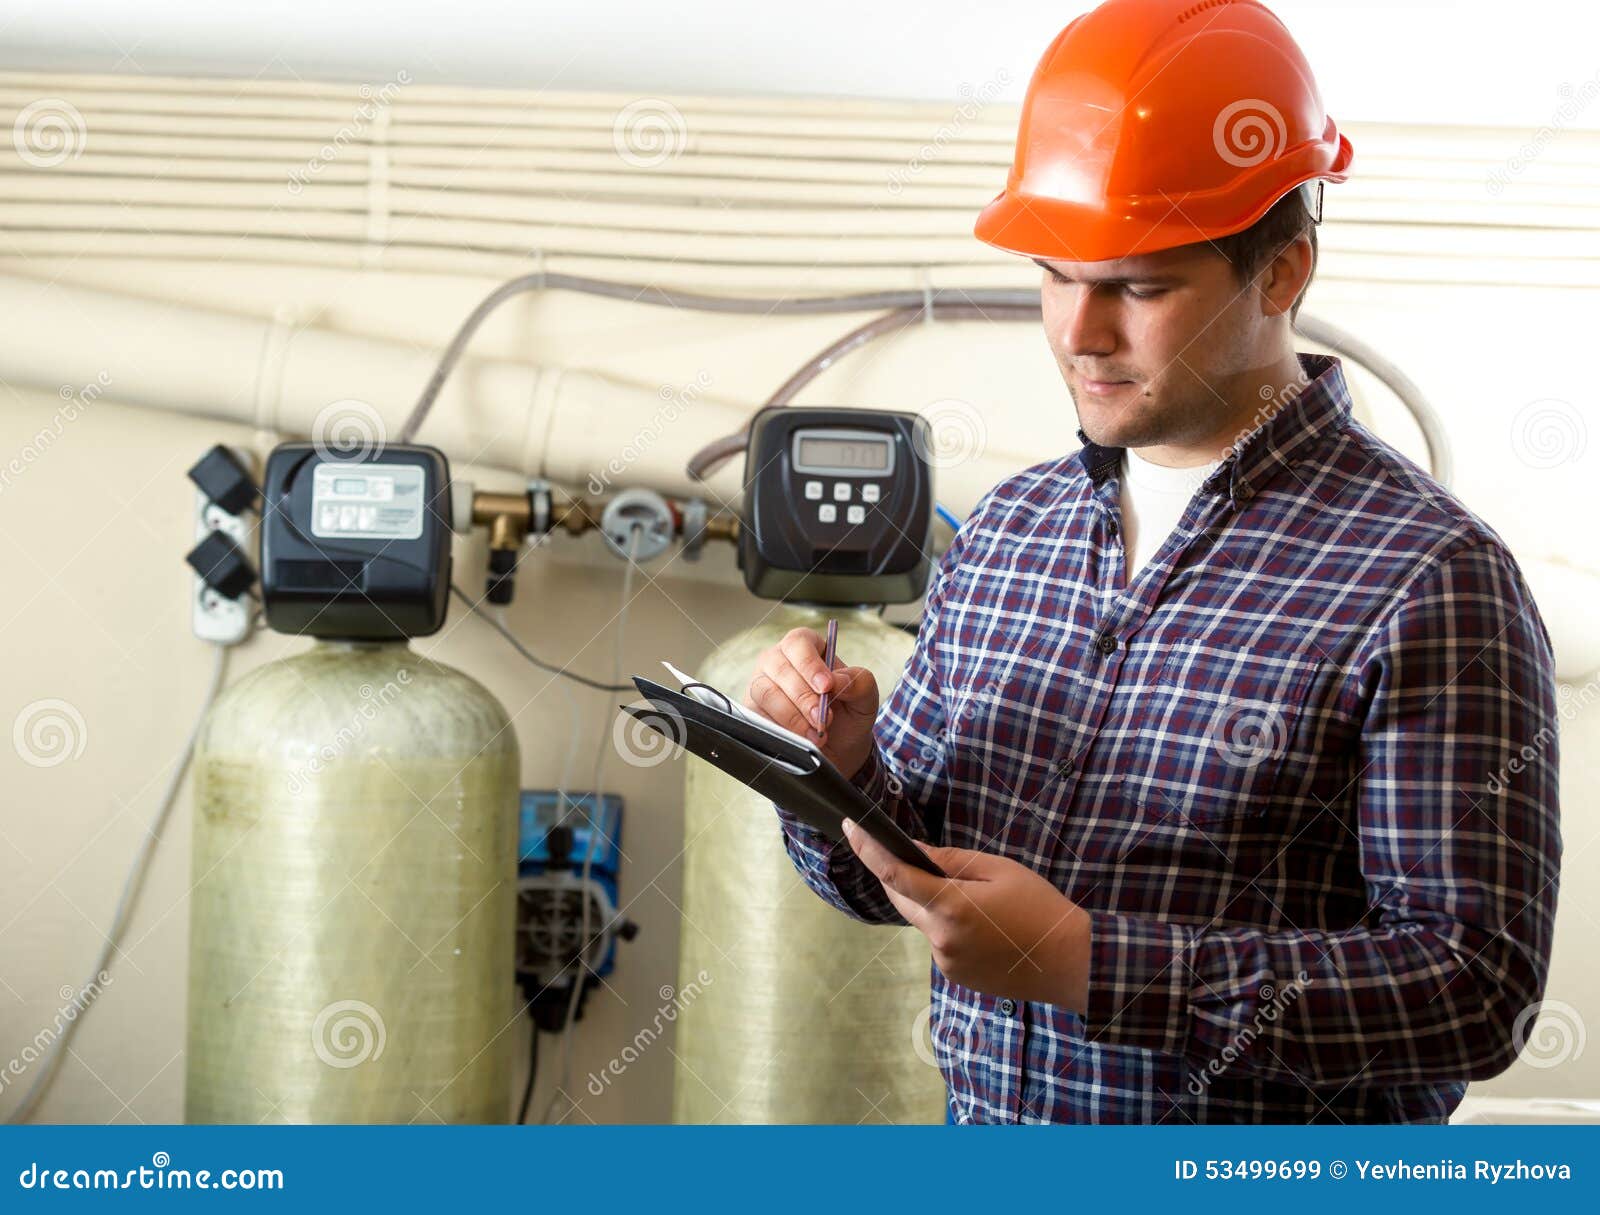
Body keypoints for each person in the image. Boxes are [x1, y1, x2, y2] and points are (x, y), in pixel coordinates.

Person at [747, 0, 1561, 1124]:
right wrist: (838, 770)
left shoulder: (1428, 580)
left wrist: (1091, 963)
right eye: (1053, 275)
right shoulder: (1009, 531)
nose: (1078, 333)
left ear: (1281, 273)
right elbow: (904, 886)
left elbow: (1473, 991)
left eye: (1137, 287)